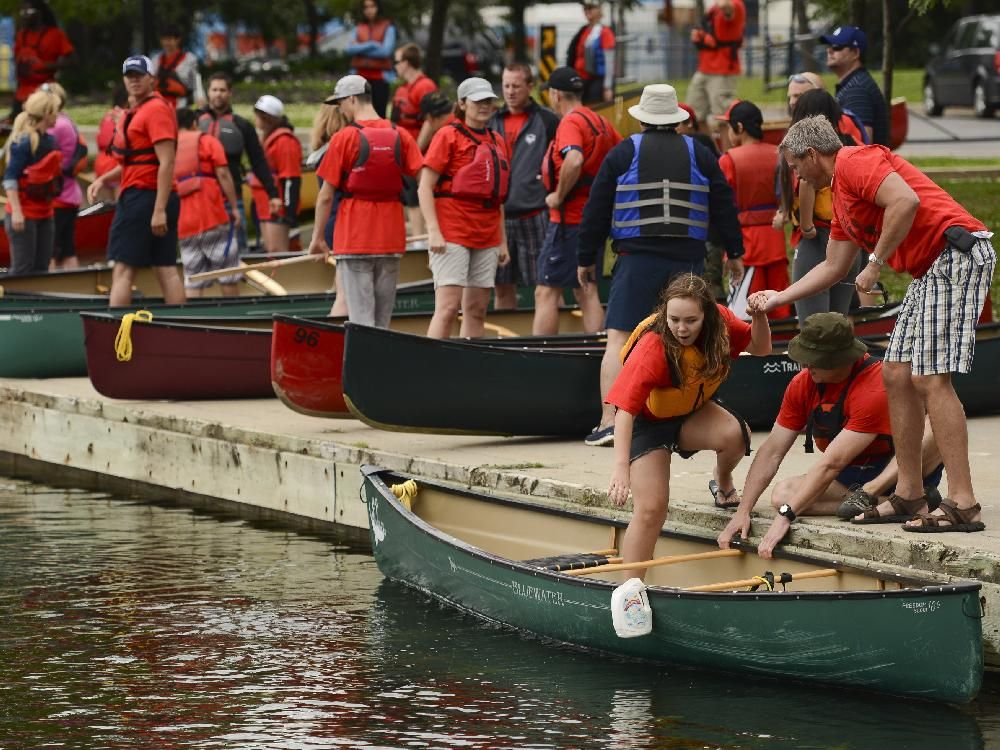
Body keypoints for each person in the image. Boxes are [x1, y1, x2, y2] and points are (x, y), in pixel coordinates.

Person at [751, 115, 996, 533]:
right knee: (895, 373)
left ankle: (963, 502)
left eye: (795, 167)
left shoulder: (854, 162)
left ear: (812, 155)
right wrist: (779, 298)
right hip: (928, 269)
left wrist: (876, 262)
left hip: (956, 255)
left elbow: (905, 201)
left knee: (930, 378)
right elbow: (832, 266)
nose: (796, 177)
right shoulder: (840, 198)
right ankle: (909, 492)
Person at [578, 84, 745, 447]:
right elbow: (723, 204)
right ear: (677, 120)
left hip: (636, 259)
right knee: (692, 335)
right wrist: (735, 251)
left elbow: (596, 209)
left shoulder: (623, 152)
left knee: (619, 338)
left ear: (642, 119)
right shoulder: (701, 153)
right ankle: (689, 412)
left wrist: (584, 258)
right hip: (687, 261)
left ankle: (609, 421)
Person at [717, 312, 945, 558]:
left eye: (815, 360)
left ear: (842, 359)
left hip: (903, 468)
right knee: (783, 495)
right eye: (805, 357)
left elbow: (832, 463)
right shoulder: (802, 383)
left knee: (936, 424)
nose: (806, 366)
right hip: (853, 474)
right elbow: (771, 451)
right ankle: (892, 503)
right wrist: (743, 511)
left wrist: (786, 516)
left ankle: (886, 493)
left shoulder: (874, 385)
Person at [607, 274, 771, 580]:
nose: (681, 328)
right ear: (665, 313)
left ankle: (722, 482)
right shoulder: (653, 347)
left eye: (691, 321)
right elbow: (624, 411)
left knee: (738, 435)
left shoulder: (721, 322)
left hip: (690, 412)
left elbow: (761, 348)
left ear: (706, 314)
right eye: (674, 320)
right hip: (648, 424)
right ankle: (630, 590)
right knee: (651, 508)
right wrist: (620, 468)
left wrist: (759, 316)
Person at [309, 75, 422, 328]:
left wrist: (317, 238)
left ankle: (360, 355)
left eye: (340, 103)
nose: (340, 110)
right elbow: (424, 181)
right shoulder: (400, 134)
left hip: (354, 239)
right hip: (391, 239)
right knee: (382, 323)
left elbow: (326, 196)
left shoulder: (344, 138)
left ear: (352, 99)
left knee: (361, 321)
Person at [86, 55, 184, 307]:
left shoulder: (155, 110)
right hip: (146, 195)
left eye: (140, 75)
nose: (134, 80)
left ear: (152, 79)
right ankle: (178, 320)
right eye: (130, 76)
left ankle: (114, 326)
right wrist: (103, 179)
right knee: (164, 267)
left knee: (123, 268)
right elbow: (137, 160)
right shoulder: (138, 110)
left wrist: (159, 209)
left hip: (145, 197)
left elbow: (167, 162)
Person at [419, 77, 511, 339]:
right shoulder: (447, 135)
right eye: (478, 101)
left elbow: (496, 196)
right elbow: (424, 187)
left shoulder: (497, 140)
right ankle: (428, 359)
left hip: (487, 234)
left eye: (488, 101)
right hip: (452, 232)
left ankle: (469, 359)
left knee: (477, 310)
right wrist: (433, 231)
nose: (484, 106)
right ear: (462, 104)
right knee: (448, 308)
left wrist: (502, 241)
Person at [534, 66, 620, 335]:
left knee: (546, 291)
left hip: (569, 221)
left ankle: (538, 354)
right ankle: (599, 348)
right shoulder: (600, 121)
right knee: (586, 287)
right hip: (593, 219)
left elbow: (574, 159)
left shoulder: (570, 122)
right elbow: (621, 159)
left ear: (556, 94)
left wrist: (558, 195)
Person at [775, 89, 863, 321]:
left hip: (819, 236)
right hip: (850, 239)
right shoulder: (848, 144)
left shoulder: (804, 152)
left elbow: (805, 184)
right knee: (838, 323)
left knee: (813, 325)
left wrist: (805, 225)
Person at [488, 63, 559, 310]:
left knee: (546, 285)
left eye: (516, 86)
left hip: (535, 213)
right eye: (506, 86)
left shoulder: (547, 120)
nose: (510, 92)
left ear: (530, 87)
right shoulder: (491, 121)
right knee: (501, 285)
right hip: (499, 217)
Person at [716, 100, 791, 321]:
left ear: (739, 127)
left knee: (745, 313)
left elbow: (722, 205)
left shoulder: (729, 160)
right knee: (780, 308)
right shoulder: (779, 154)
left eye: (729, 126)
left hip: (745, 244)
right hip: (775, 240)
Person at [198, 72, 280, 252]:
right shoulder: (194, 122)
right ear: (208, 92)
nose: (218, 94)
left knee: (239, 251)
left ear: (230, 93)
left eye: (222, 90)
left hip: (232, 199)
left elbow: (258, 161)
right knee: (202, 252)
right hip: (200, 199)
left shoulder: (242, 126)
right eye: (214, 90)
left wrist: (272, 193)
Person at [175, 108, 242, 298]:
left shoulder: (169, 148)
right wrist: (234, 207)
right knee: (228, 273)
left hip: (184, 224)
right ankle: (235, 313)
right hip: (212, 218)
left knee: (194, 278)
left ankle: (194, 315)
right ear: (194, 123)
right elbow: (223, 174)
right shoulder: (208, 142)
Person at [2, 88, 61, 275]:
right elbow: (10, 178)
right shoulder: (24, 142)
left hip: (45, 213)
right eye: (55, 111)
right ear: (46, 113)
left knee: (42, 269)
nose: (58, 115)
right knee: (23, 270)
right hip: (24, 214)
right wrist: (17, 212)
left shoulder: (50, 141)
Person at [678, 102, 727, 303]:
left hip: (704, 230)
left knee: (705, 286)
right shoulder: (700, 144)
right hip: (706, 229)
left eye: (677, 123)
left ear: (689, 123)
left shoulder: (698, 143)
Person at [390, 43, 437, 248]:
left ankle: (425, 241)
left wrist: (415, 148)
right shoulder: (402, 89)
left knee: (421, 195)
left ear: (407, 62)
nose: (395, 66)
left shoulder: (425, 86)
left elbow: (431, 119)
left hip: (421, 154)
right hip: (404, 153)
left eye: (396, 62)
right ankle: (418, 240)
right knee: (410, 198)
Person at [248, 95, 301, 254]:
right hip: (265, 204)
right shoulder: (268, 138)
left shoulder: (284, 141)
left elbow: (290, 177)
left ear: (266, 118)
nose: (255, 119)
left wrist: (289, 211)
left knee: (277, 251)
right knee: (271, 251)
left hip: (276, 206)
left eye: (258, 115)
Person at [820, 26, 888, 147]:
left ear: (855, 53)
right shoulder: (854, 84)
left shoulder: (857, 90)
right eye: (829, 46)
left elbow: (862, 143)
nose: (829, 50)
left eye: (837, 47)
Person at [687, 0, 745, 137]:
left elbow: (724, 5)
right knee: (694, 117)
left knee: (723, 120)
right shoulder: (713, 8)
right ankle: (710, 150)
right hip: (704, 69)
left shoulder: (736, 5)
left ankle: (728, 151)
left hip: (722, 72)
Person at [43, 82, 84, 270]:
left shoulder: (56, 125)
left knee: (49, 250)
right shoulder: (66, 121)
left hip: (58, 198)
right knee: (68, 249)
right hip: (69, 196)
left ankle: (48, 287)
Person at [11, 0, 73, 119]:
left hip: (45, 92)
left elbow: (71, 61)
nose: (24, 15)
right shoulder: (21, 35)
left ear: (39, 13)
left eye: (28, 11)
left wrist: (45, 66)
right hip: (21, 93)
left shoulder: (55, 35)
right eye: (22, 11)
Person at [786, 71, 866, 146]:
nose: (791, 102)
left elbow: (857, 152)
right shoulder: (796, 123)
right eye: (790, 97)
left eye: (798, 96)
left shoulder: (842, 121)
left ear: (818, 95)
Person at [346, 0, 397, 118]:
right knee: (358, 114)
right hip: (359, 76)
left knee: (379, 113)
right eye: (366, 7)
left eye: (372, 6)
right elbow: (350, 49)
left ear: (378, 8)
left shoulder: (388, 27)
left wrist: (360, 48)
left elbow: (385, 51)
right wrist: (372, 44)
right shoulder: (358, 27)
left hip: (380, 77)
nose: (369, 10)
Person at [565, 1, 616, 105]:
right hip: (581, 81)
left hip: (597, 81)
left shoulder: (605, 32)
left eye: (590, 8)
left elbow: (609, 62)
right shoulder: (583, 30)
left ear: (599, 10)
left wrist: (607, 87)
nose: (587, 11)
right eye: (585, 8)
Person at [151, 25, 203, 110]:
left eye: (169, 39)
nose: (166, 43)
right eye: (164, 39)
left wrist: (199, 99)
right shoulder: (155, 60)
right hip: (158, 105)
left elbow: (196, 82)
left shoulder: (189, 59)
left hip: (181, 105)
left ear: (177, 40)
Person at [92, 85, 128, 202]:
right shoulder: (125, 116)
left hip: (102, 165)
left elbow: (101, 140)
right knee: (120, 206)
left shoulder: (107, 116)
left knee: (106, 208)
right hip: (116, 169)